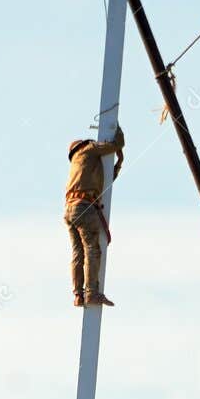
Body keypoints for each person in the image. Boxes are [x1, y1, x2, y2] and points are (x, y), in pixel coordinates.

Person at [64, 125, 124, 308]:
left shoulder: (79, 164)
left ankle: (78, 295)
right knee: (92, 249)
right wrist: (116, 127)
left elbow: (105, 181)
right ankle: (92, 293)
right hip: (84, 207)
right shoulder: (88, 149)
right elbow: (116, 144)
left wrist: (118, 163)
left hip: (70, 209)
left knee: (78, 253)